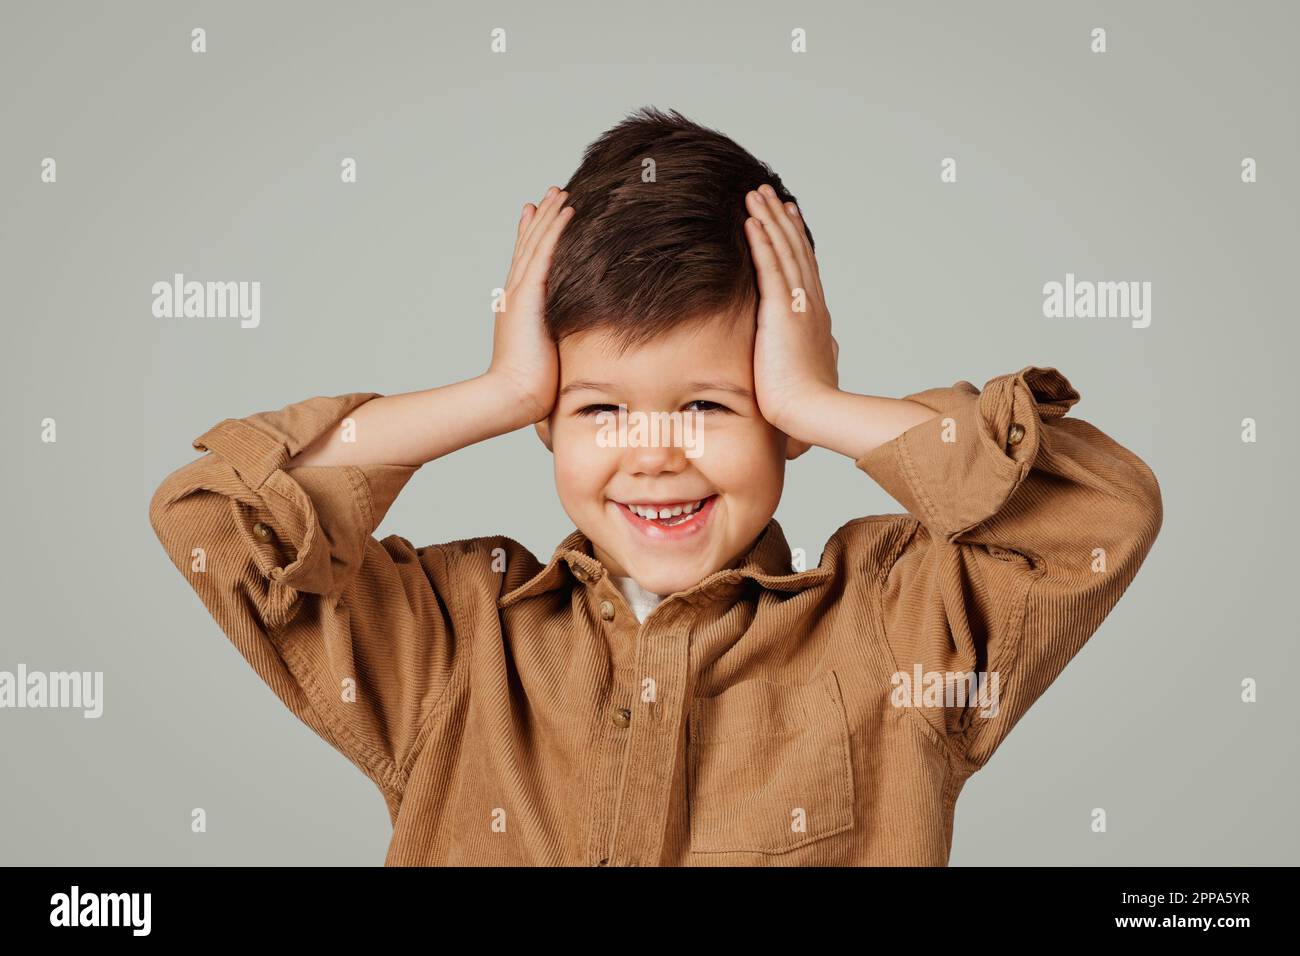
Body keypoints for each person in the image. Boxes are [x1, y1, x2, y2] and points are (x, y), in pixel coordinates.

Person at [148, 107, 1162, 865]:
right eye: (598, 409)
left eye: (710, 406)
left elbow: (1097, 512)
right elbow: (218, 520)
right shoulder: (454, 642)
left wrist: (820, 400)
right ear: (543, 418)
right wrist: (495, 390)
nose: (653, 452)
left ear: (782, 410)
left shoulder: (898, 626)